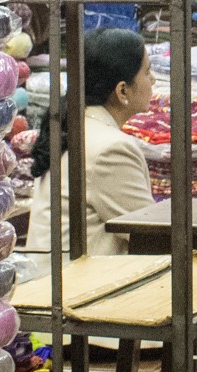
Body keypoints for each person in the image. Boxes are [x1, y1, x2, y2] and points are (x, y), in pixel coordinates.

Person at [25, 27, 156, 257]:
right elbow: (155, 234)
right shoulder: (111, 149)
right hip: (84, 287)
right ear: (122, 90)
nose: (153, 80)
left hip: (57, 281)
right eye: (147, 72)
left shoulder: (76, 126)